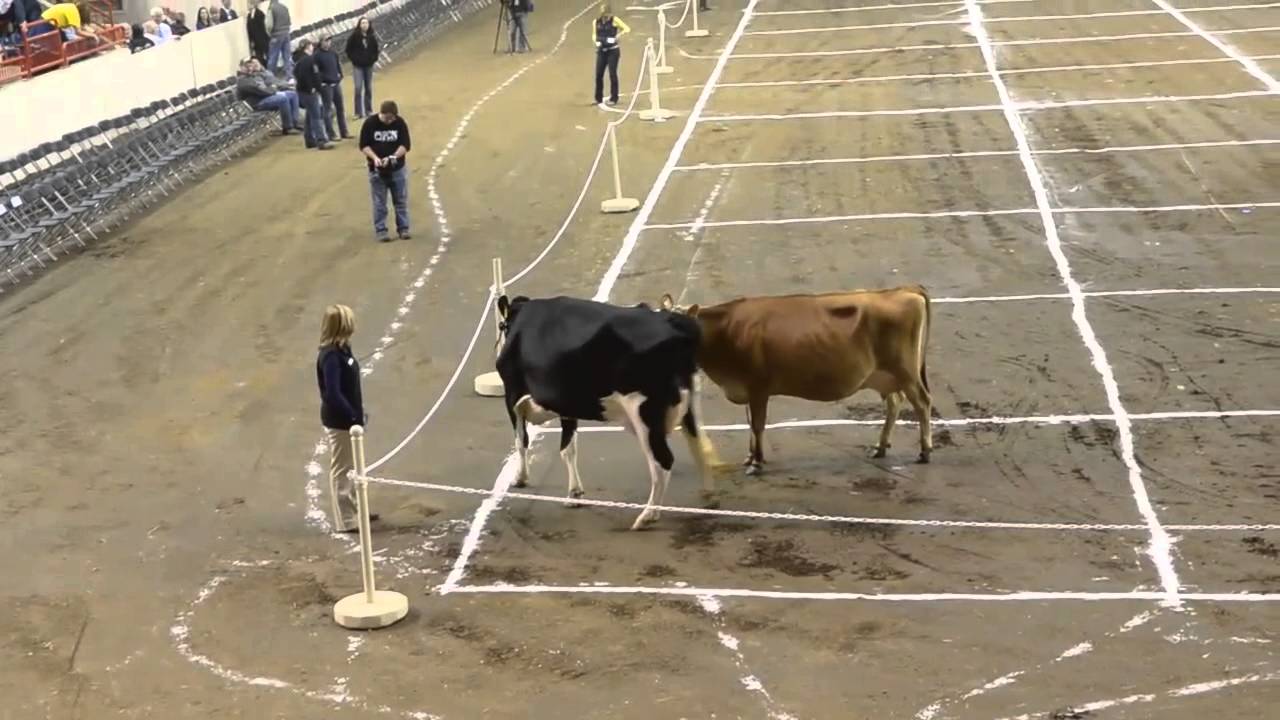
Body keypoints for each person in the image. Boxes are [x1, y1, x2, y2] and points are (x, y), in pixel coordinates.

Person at [315, 304, 376, 534]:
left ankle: (357, 510)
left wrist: (358, 413)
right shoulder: (331, 356)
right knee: (342, 469)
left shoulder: (343, 350)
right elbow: (332, 393)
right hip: (341, 422)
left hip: (350, 419)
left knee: (353, 466)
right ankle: (347, 520)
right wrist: (352, 416)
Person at [358, 100, 411, 242]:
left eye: (393, 118)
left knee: (400, 201)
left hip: (397, 169)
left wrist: (393, 156)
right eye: (389, 118)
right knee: (379, 203)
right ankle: (381, 230)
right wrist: (375, 158)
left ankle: (403, 228)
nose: (391, 121)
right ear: (382, 114)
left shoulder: (399, 123)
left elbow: (405, 145)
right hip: (376, 170)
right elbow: (364, 145)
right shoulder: (370, 124)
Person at [235, 56, 302, 134]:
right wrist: (273, 90)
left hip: (263, 97)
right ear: (242, 67)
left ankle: (295, 123)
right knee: (282, 99)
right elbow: (261, 91)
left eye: (250, 65)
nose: (250, 68)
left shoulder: (252, 76)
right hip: (256, 103)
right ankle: (288, 127)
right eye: (247, 66)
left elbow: (265, 86)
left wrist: (271, 89)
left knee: (292, 94)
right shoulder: (243, 80)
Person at [293, 39, 333, 150]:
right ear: (308, 47)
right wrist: (315, 88)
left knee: (310, 116)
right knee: (316, 116)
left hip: (302, 91)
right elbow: (314, 76)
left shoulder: (300, 60)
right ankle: (321, 140)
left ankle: (309, 140)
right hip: (309, 92)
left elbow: (296, 74)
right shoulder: (310, 60)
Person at [315, 35, 351, 141]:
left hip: (336, 84)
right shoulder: (317, 56)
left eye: (329, 40)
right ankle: (331, 134)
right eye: (326, 40)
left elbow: (337, 65)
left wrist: (340, 74)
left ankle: (344, 132)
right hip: (326, 86)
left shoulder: (333, 53)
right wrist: (322, 82)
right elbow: (317, 72)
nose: (328, 42)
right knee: (328, 110)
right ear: (321, 42)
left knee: (340, 109)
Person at [592, 3, 629, 107]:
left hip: (613, 51)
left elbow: (626, 28)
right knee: (599, 75)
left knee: (612, 74)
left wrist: (618, 36)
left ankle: (614, 97)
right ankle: (598, 98)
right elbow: (594, 34)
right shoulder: (596, 22)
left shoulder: (614, 20)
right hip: (601, 50)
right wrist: (596, 41)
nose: (605, 16)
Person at [344, 15, 378, 119]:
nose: (365, 25)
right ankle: (358, 112)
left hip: (368, 66)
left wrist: (373, 59)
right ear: (359, 25)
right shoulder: (354, 36)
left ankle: (368, 110)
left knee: (368, 88)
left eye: (366, 23)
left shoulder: (371, 37)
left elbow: (376, 50)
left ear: (369, 25)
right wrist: (355, 59)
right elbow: (348, 50)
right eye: (362, 23)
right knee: (358, 88)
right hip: (358, 66)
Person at [265, 0, 291, 80]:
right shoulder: (284, 7)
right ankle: (289, 76)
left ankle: (271, 78)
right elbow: (289, 21)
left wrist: (270, 34)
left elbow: (268, 25)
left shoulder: (271, 8)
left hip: (276, 35)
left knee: (273, 57)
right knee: (287, 56)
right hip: (286, 34)